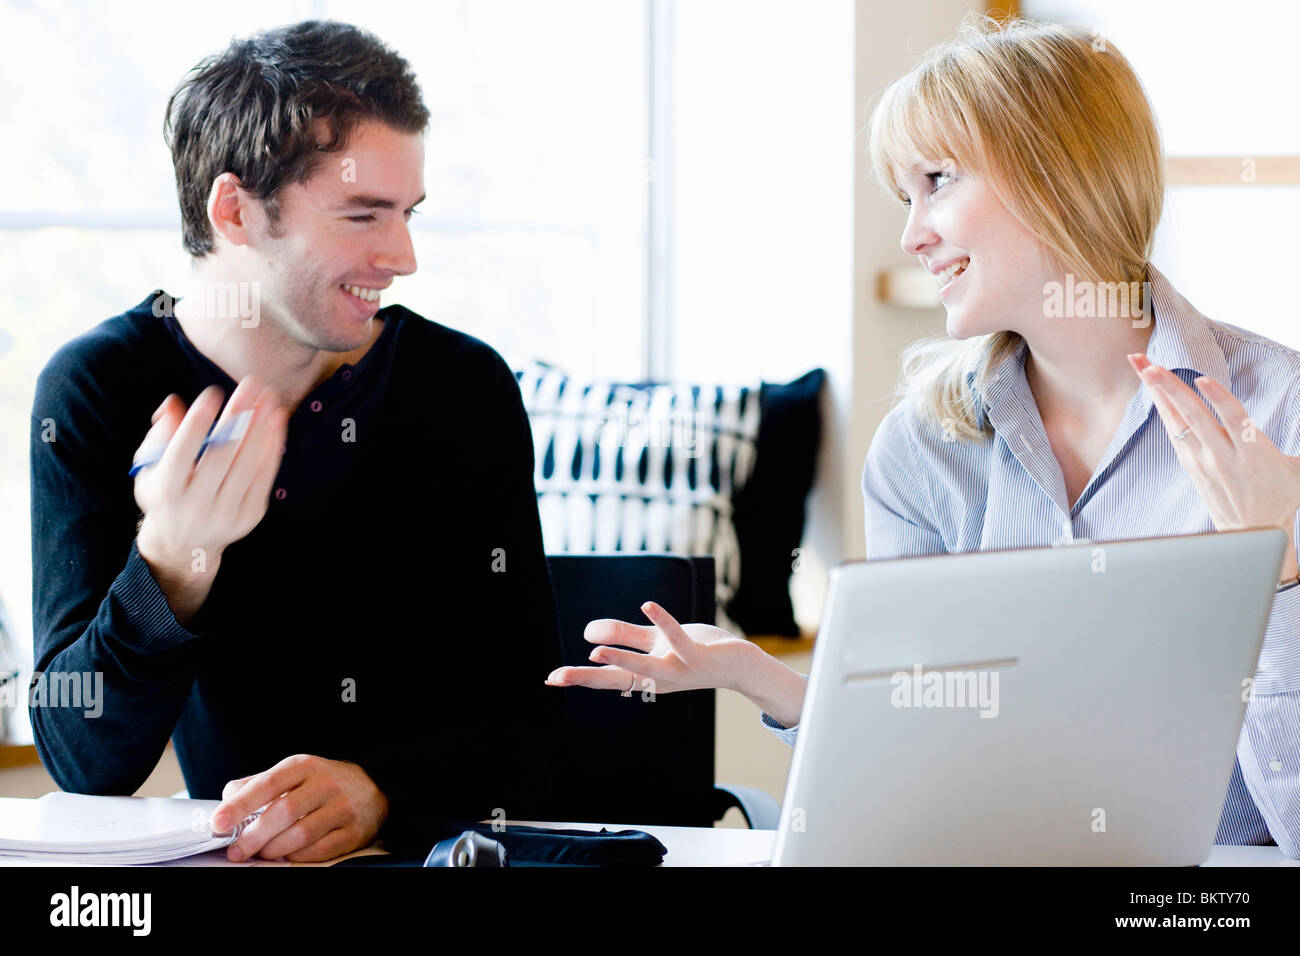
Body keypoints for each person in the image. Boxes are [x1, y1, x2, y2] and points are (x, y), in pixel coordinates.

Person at [546, 15, 1300, 858]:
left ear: (1060, 173)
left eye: (938, 180)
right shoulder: (923, 448)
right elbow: (914, 766)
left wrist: (1282, 573)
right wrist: (762, 676)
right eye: (905, 196)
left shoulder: (1282, 416)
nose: (913, 234)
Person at [30, 20, 565, 863]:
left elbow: (534, 727)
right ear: (236, 210)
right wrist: (172, 564)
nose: (403, 256)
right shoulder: (99, 388)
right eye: (363, 214)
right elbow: (85, 764)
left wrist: (380, 790)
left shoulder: (462, 389)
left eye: (408, 213)